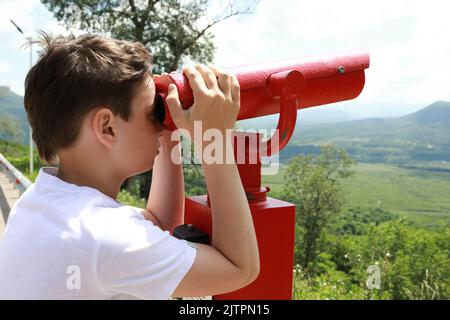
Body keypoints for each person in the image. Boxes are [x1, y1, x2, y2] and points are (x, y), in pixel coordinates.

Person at [0, 33, 259, 299]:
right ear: (106, 127)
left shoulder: (40, 201)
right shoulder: (106, 239)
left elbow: (157, 226)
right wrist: (212, 138)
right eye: (152, 114)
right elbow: (239, 268)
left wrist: (169, 132)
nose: (160, 122)